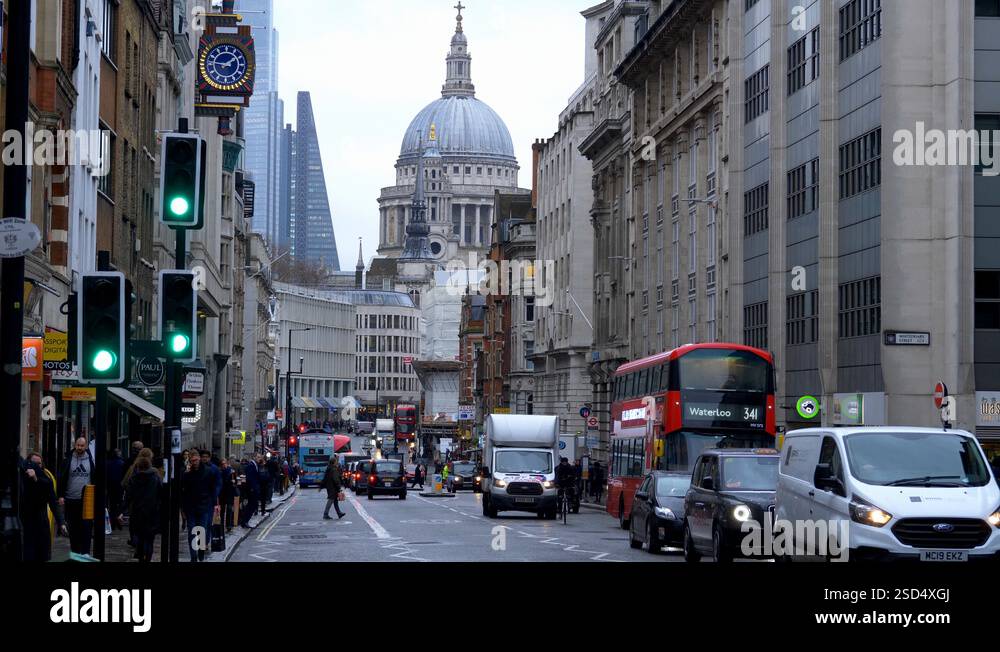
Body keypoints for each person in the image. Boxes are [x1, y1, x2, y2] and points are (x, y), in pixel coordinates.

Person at [22, 452, 64, 562]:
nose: (36, 466)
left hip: (41, 523)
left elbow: (53, 502)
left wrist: (61, 522)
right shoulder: (21, 478)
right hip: (26, 523)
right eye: (33, 463)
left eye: (39, 464)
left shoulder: (46, 480)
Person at [58, 437, 95, 555]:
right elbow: (61, 477)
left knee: (86, 528)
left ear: (86, 446)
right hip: (70, 499)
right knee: (73, 529)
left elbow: (95, 478)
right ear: (75, 445)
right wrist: (60, 495)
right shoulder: (68, 459)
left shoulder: (91, 460)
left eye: (82, 445)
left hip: (87, 500)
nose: (79, 448)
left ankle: (85, 553)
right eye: (78, 445)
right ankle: (75, 552)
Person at [181, 450, 219, 562]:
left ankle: (201, 552)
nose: (195, 462)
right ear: (190, 461)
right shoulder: (187, 474)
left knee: (202, 531)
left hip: (204, 506)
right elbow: (183, 491)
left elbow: (213, 489)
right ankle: (193, 556)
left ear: (199, 459)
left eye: (196, 459)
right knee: (192, 532)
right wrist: (183, 508)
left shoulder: (208, 472)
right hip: (190, 508)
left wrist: (212, 503)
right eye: (192, 460)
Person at [124, 455, 161, 563]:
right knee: (149, 540)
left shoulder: (134, 479)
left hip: (137, 513)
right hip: (152, 513)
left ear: (138, 467)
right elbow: (161, 495)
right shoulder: (155, 478)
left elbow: (128, 497)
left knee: (140, 538)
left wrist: (121, 511)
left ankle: (141, 557)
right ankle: (147, 559)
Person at [106, 449, 125, 531]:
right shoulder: (122, 463)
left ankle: (112, 523)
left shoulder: (108, 463)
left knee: (112, 504)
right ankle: (119, 520)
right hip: (120, 486)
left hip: (110, 486)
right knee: (120, 503)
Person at [239, 455, 261, 527]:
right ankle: (244, 521)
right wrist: (252, 488)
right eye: (257, 457)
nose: (259, 459)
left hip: (254, 488)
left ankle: (245, 521)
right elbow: (250, 478)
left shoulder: (255, 465)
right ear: (254, 457)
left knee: (252, 505)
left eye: (259, 457)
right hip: (252, 489)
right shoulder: (251, 465)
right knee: (251, 505)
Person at [219, 458, 237, 532]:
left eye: (224, 463)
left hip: (229, 492)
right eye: (222, 464)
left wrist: (234, 482)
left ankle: (228, 525)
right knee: (222, 510)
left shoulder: (231, 471)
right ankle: (221, 525)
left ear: (227, 463)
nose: (224, 465)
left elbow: (235, 481)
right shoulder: (219, 472)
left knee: (229, 509)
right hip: (222, 493)